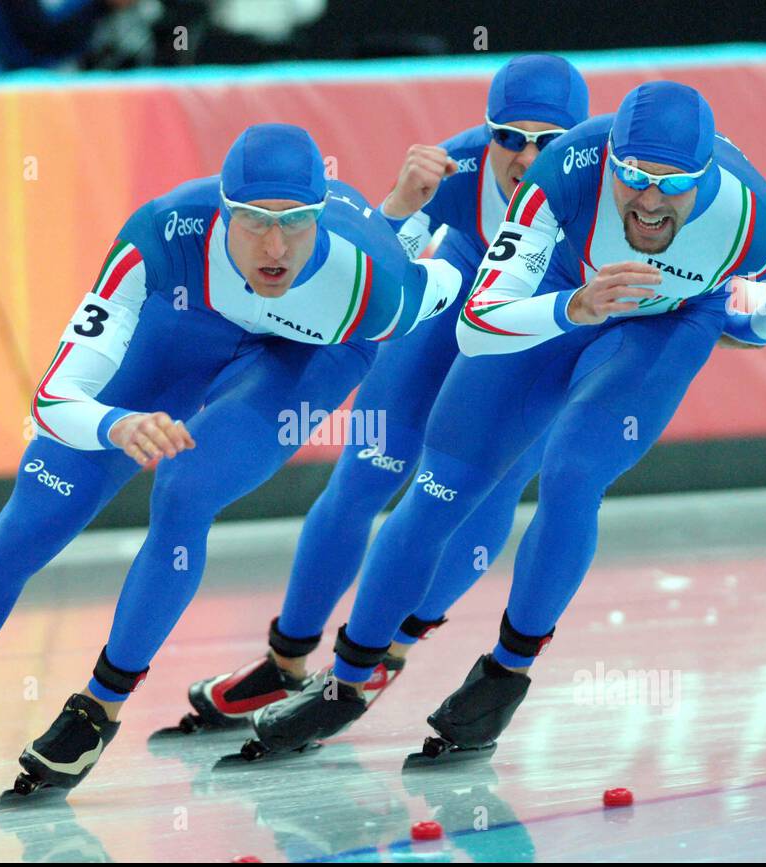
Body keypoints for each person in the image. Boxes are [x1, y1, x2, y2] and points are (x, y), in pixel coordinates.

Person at [0, 123, 461, 800]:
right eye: (252, 222)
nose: (274, 246)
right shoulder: (161, 237)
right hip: (184, 331)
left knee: (186, 488)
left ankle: (99, 706)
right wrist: (115, 422)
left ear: (320, 221)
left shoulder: (377, 287)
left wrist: (401, 210)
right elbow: (54, 398)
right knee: (29, 522)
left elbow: (456, 275)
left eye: (294, 224)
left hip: (308, 356)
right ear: (221, 212)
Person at [242, 81, 766, 762]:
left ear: (705, 176)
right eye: (633, 177)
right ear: (609, 157)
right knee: (440, 487)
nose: (648, 200)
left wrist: (749, 326)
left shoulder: (749, 213)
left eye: (670, 185)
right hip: (567, 290)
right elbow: (478, 325)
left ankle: (506, 671)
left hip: (666, 325)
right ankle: (348, 682)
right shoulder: (567, 168)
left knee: (571, 473)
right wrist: (573, 308)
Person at [166, 54, 590, 736]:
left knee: (486, 485)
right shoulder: (457, 169)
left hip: (540, 323)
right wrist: (400, 205)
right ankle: (287, 657)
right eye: (510, 136)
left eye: (548, 141)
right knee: (365, 473)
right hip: (455, 295)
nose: (527, 155)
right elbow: (367, 257)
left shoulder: (604, 190)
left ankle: (386, 649)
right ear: (488, 134)